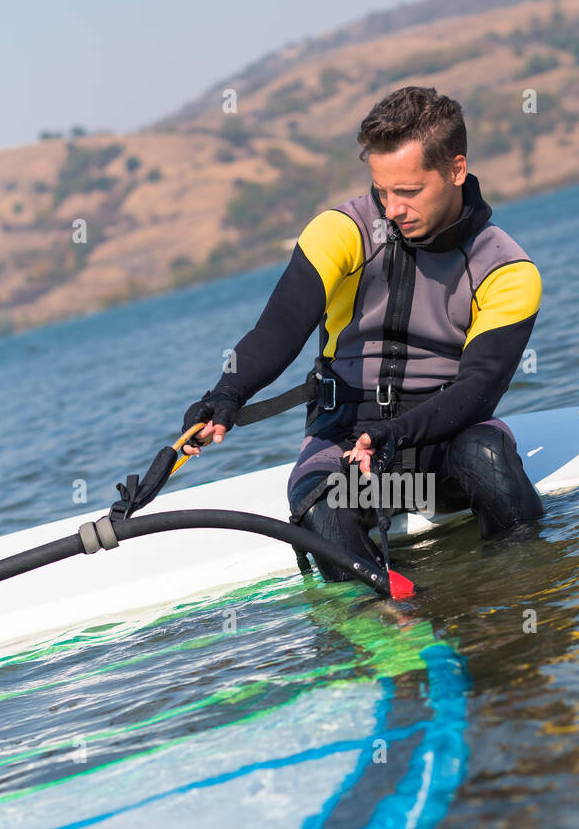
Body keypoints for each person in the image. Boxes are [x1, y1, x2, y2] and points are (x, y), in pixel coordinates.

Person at [181, 85, 544, 581]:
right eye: (382, 191)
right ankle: (387, 629)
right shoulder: (342, 230)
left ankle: (521, 603)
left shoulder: (506, 269)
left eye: (409, 192)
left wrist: (394, 434)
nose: (392, 209)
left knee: (488, 460)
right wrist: (227, 393)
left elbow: (479, 390)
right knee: (323, 511)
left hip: (441, 468)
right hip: (352, 454)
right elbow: (283, 324)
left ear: (456, 170)